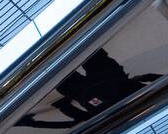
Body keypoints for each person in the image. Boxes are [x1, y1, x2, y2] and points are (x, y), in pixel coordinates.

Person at [16, 48, 159, 129]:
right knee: (53, 71)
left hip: (106, 81)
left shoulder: (148, 100)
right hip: (90, 91)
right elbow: (77, 121)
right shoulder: (112, 119)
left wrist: (144, 77)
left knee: (85, 50)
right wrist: (65, 107)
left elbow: (77, 121)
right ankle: (34, 60)